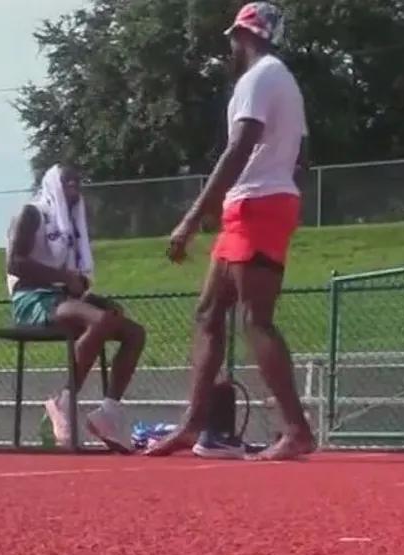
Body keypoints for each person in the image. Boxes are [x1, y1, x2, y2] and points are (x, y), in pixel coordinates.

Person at [147, 2, 316, 461]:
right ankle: (192, 424)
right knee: (208, 312)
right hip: (250, 204)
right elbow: (299, 155)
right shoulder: (280, 79)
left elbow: (238, 147)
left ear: (243, 35)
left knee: (254, 319)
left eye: (232, 39)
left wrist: (191, 218)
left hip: (259, 203)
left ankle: (296, 430)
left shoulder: (260, 77)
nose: (230, 47)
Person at [6, 163, 146, 451]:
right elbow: (15, 263)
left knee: (133, 331)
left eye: (78, 184)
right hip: (31, 298)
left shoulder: (71, 224)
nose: (75, 190)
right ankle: (63, 402)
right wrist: (64, 278)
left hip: (63, 297)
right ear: (54, 183)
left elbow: (72, 273)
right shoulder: (32, 213)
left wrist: (81, 284)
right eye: (68, 183)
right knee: (100, 321)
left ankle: (108, 412)